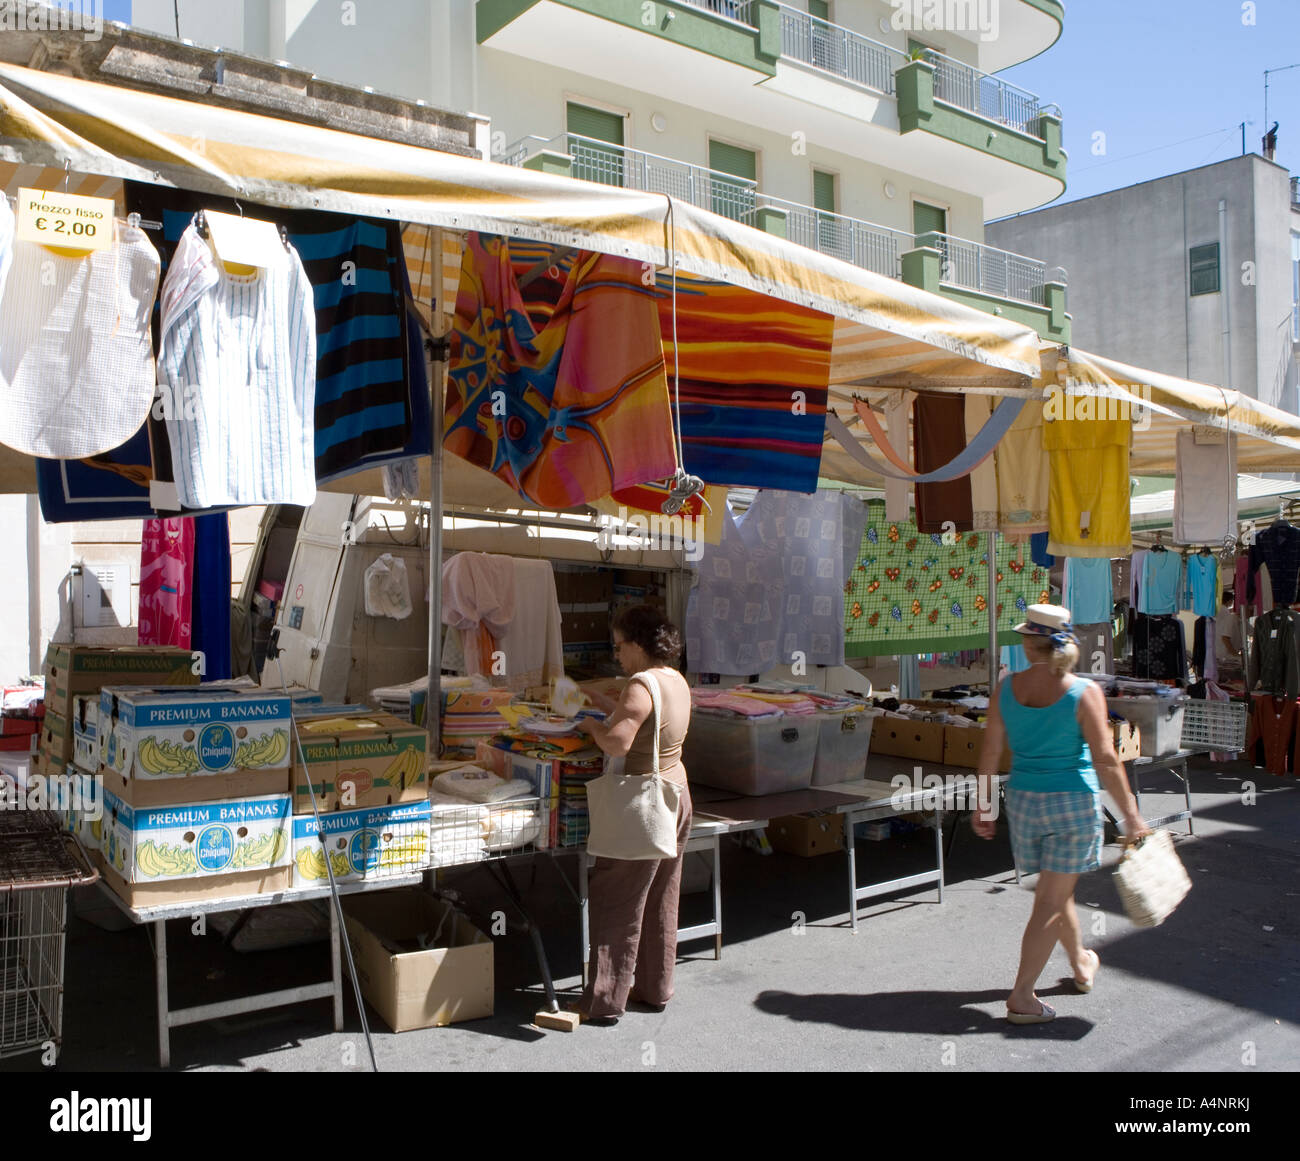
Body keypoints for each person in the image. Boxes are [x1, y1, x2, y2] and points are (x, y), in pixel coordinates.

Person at [973, 604, 1150, 1024]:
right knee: (1052, 899)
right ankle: (1021, 996)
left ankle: (1080, 962)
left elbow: (990, 754)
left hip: (1024, 802)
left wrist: (983, 806)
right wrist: (1131, 817)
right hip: (1071, 802)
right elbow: (1107, 760)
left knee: (1056, 888)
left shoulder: (1006, 688)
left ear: (1029, 643)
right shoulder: (1083, 691)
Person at [570, 605, 693, 1023]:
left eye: (620, 645)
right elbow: (647, 722)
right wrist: (608, 703)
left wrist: (590, 727)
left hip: (644, 802)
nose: (617, 654)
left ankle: (604, 998)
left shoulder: (640, 684)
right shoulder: (674, 679)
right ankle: (655, 987)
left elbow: (619, 743)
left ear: (639, 645)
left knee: (616, 898)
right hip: (677, 793)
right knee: (662, 895)